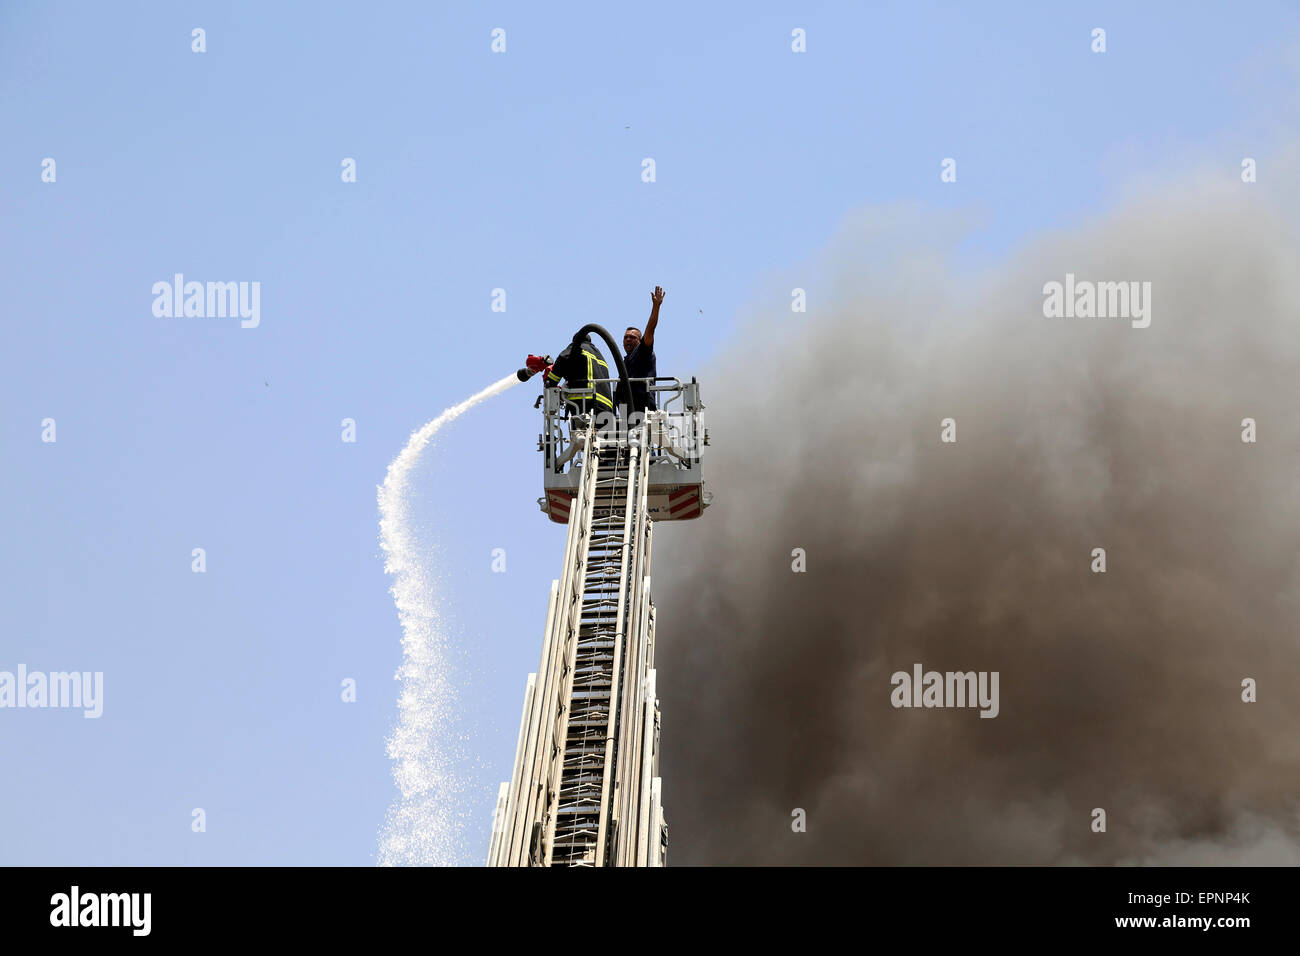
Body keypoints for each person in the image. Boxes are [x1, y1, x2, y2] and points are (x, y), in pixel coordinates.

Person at [544, 333, 615, 427]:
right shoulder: (599, 355)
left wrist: (549, 380)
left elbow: (553, 378)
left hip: (585, 404)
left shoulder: (576, 348)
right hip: (606, 407)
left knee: (581, 436)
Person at [623, 286, 663, 414]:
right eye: (625, 337)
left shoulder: (643, 351)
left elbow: (651, 329)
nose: (628, 339)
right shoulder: (625, 360)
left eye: (632, 337)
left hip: (643, 407)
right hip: (626, 409)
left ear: (640, 341)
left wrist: (656, 307)